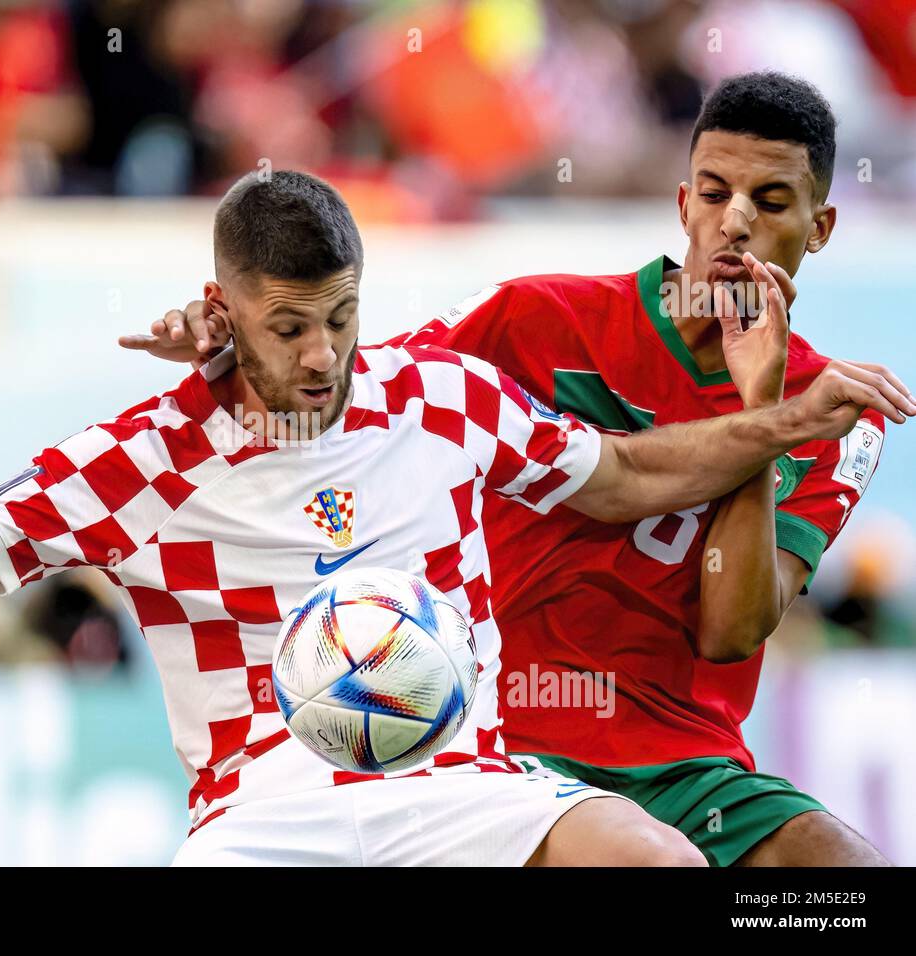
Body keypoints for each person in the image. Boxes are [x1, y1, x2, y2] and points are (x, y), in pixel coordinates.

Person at [0, 171, 910, 866]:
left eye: (341, 316)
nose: (322, 355)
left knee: (657, 865)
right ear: (225, 307)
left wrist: (778, 420)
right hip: (264, 816)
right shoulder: (146, 457)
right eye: (289, 325)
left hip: (456, 788)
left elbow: (628, 474)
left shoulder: (441, 396)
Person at [121, 73, 909, 865]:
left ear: (820, 226)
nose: (734, 223)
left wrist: (759, 408)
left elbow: (730, 632)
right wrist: (237, 347)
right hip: (495, 743)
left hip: (684, 764)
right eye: (714, 193)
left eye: (770, 202)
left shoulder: (832, 411)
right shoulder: (535, 319)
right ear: (682, 205)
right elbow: (352, 398)